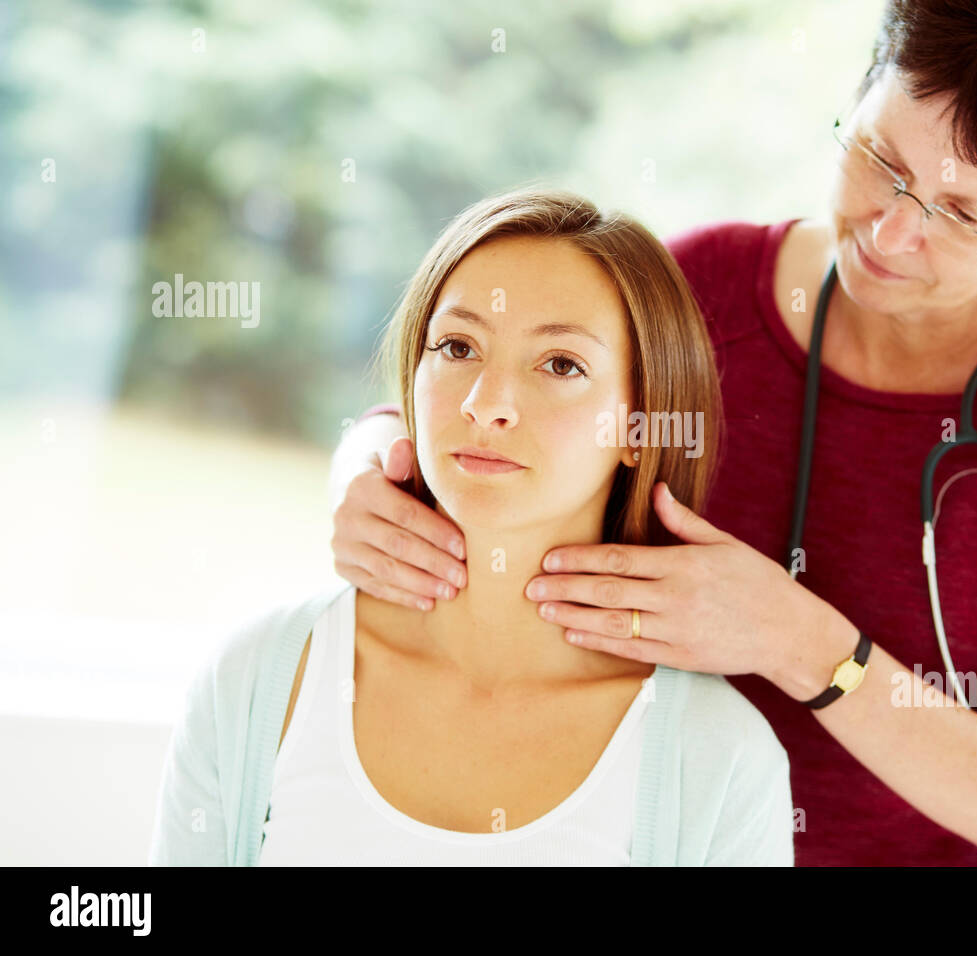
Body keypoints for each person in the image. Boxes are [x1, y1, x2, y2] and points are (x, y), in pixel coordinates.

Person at [328, 0, 977, 866]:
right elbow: (497, 390)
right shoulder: (707, 288)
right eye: (879, 159)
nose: (892, 234)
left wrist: (800, 643)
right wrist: (366, 463)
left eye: (963, 216)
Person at [149, 188, 794, 866]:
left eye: (562, 364)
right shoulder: (258, 679)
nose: (487, 405)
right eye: (458, 346)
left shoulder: (720, 758)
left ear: (641, 426)